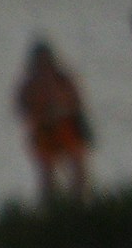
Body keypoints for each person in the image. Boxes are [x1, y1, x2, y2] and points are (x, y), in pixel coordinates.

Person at [13, 37, 93, 200]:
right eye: (40, 60)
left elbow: (77, 103)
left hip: (67, 128)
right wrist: (40, 115)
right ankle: (51, 206)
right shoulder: (29, 84)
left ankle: (78, 202)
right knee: (47, 174)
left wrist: (63, 111)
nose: (44, 64)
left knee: (79, 167)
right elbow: (21, 108)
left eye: (46, 59)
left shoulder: (62, 79)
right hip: (43, 132)